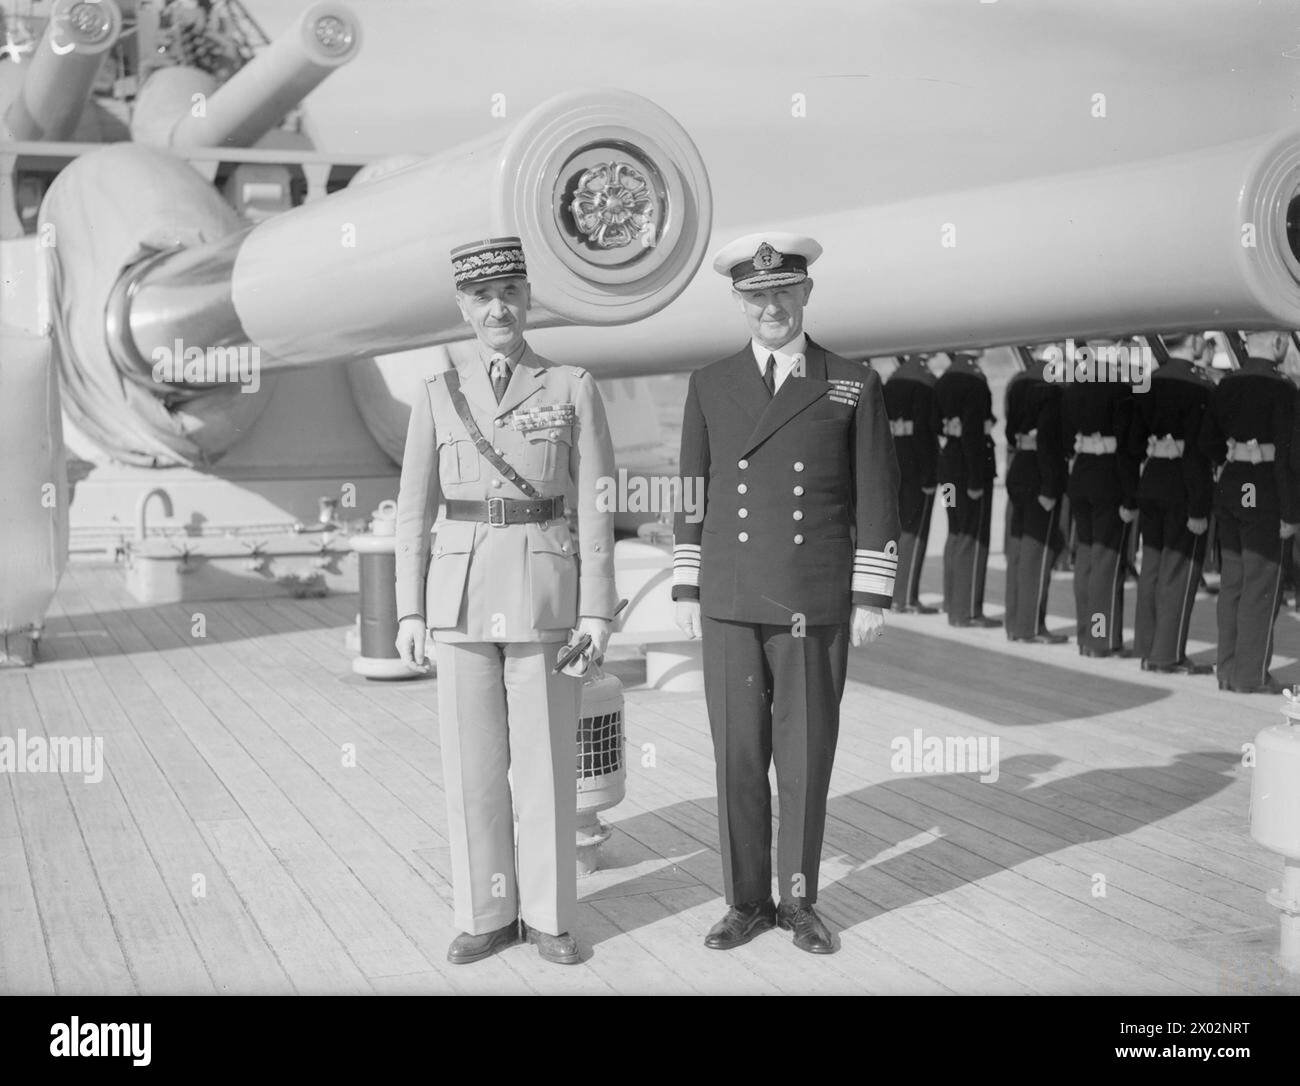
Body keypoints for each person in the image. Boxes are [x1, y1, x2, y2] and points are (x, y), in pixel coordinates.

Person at [671, 232, 900, 955]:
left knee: (805, 757)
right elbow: (691, 488)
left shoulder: (852, 381)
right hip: (732, 597)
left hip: (813, 597)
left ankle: (798, 902)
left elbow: (878, 492)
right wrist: (685, 584)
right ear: (739, 301)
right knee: (739, 755)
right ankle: (745, 903)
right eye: (755, 295)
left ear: (805, 294)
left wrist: (871, 596)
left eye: (782, 292)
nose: (770, 306)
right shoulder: (709, 383)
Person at [393, 237, 618, 964]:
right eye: (483, 298)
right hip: (457, 598)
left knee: (548, 767)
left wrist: (596, 609)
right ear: (464, 307)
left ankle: (549, 917)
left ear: (528, 301)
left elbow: (596, 504)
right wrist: (408, 609)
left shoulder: (571, 386)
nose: (498, 309)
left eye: (511, 295)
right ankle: (487, 911)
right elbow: (411, 510)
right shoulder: (437, 394)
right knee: (473, 767)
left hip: (542, 593)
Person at [1200, 330, 1297, 693]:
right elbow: (1290, 458)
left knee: (1234, 583)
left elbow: (1207, 440)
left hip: (1234, 486)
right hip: (1262, 489)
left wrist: (1229, 459)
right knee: (1260, 584)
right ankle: (1250, 675)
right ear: (1276, 343)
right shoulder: (1283, 388)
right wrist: (1291, 513)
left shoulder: (1226, 384)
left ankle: (1227, 670)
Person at [1129, 334, 1214, 674]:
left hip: (1152, 478)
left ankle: (1147, 647)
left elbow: (1133, 441)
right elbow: (1197, 452)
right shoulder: (1199, 386)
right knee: (1178, 572)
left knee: (1152, 565)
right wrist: (1198, 506)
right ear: (1193, 341)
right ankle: (1167, 654)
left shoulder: (1147, 383)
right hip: (1182, 485)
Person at [1061, 338, 1139, 656]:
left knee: (1086, 559)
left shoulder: (1073, 389)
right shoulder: (1119, 389)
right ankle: (1100, 638)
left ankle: (1085, 634)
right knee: (1106, 561)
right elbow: (1129, 449)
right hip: (1109, 477)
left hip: (1081, 474)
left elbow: (1065, 439)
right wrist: (1130, 497)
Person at [1003, 344, 1068, 643]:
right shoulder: (1051, 389)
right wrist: (1051, 486)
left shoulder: (1018, 384)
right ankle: (1030, 627)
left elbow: (1009, 432)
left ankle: (1015, 623)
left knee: (1018, 552)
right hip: (1040, 475)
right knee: (1037, 553)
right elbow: (1050, 442)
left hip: (1019, 469)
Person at [933, 350, 1000, 627]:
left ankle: (952, 601)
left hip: (948, 464)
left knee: (955, 532)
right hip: (968, 469)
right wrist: (975, 480)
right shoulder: (975, 381)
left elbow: (934, 422)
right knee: (972, 538)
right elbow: (974, 434)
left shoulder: (943, 380)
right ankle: (966, 611)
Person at [884, 354, 940, 613]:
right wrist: (930, 476)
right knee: (915, 532)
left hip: (893, 460)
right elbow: (926, 434)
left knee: (895, 531)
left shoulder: (891, 382)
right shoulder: (925, 384)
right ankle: (905, 598)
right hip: (917, 468)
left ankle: (892, 594)